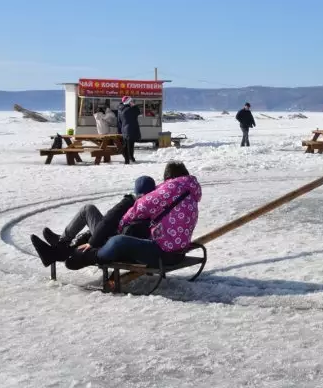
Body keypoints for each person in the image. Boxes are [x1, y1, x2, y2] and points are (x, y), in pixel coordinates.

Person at [56, 162, 202, 270]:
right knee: (114, 237)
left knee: (118, 241)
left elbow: (140, 207)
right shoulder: (191, 195)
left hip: (162, 252)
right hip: (178, 251)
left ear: (168, 178)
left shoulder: (171, 189)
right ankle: (69, 247)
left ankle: (81, 255)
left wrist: (121, 225)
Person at [29, 175, 158, 266]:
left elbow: (109, 220)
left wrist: (92, 242)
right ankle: (60, 246)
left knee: (88, 210)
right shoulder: (158, 204)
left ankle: (62, 243)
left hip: (114, 242)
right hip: (135, 244)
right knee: (96, 229)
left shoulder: (131, 203)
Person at [117, 96, 141, 164]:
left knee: (126, 145)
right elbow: (138, 112)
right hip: (131, 129)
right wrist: (134, 106)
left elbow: (119, 121)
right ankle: (130, 159)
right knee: (130, 145)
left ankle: (127, 159)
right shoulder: (130, 109)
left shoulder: (120, 109)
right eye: (131, 101)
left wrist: (120, 130)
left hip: (124, 129)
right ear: (128, 102)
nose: (132, 102)